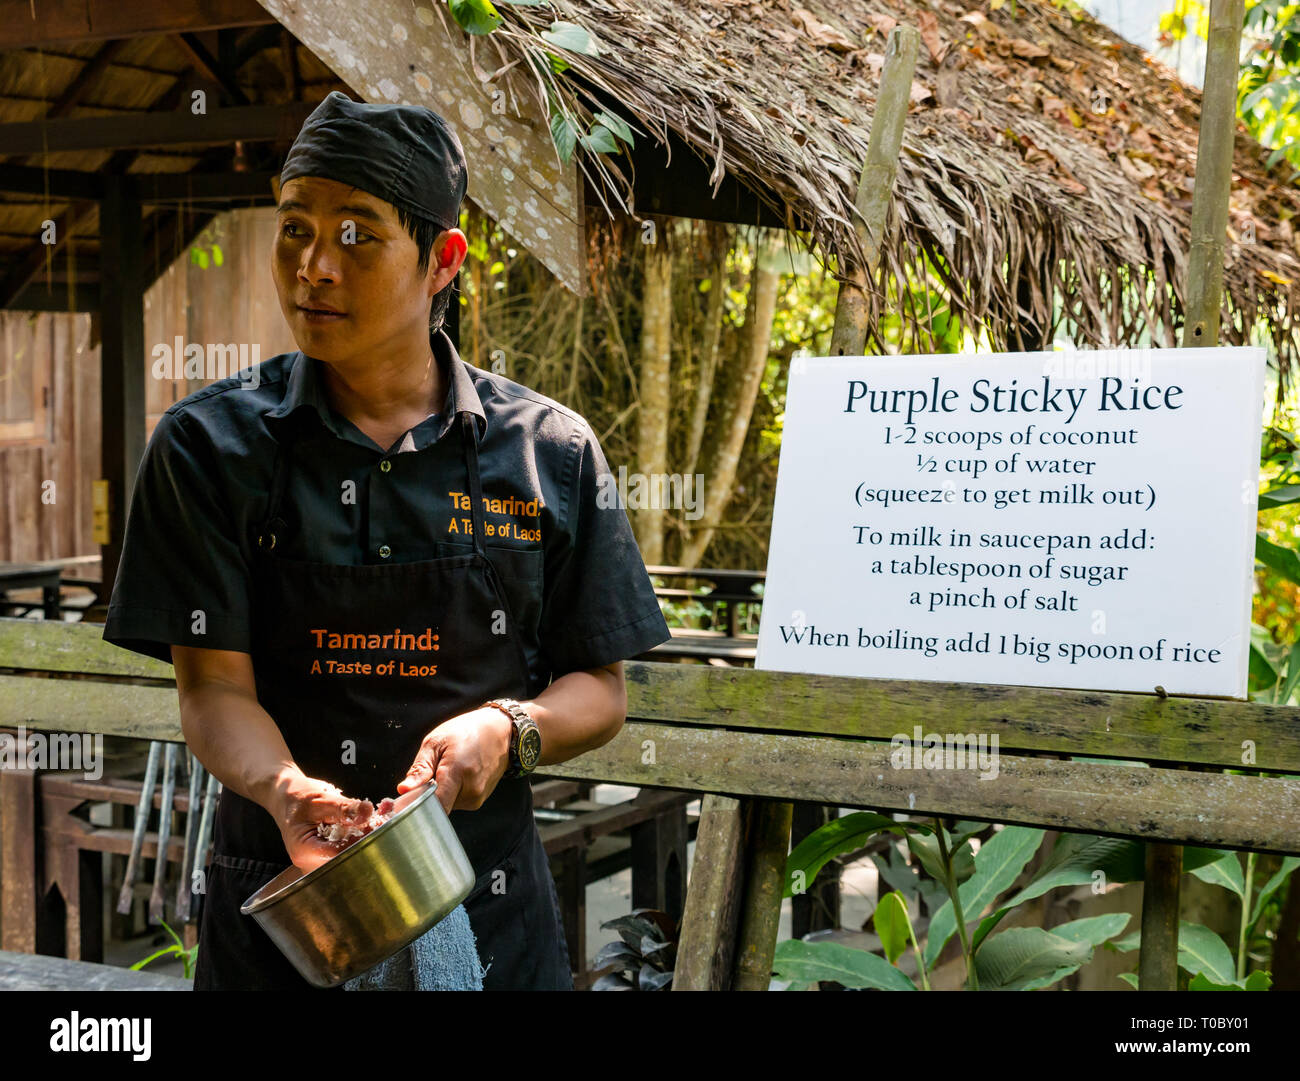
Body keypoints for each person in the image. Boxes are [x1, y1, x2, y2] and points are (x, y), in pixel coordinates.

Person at [102, 91, 672, 990]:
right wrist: (290, 791)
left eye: (357, 234)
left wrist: (507, 726)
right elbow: (212, 692)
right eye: (295, 230)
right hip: (284, 901)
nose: (315, 267)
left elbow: (599, 692)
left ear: (443, 259)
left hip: (488, 911)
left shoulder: (548, 454)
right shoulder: (208, 447)